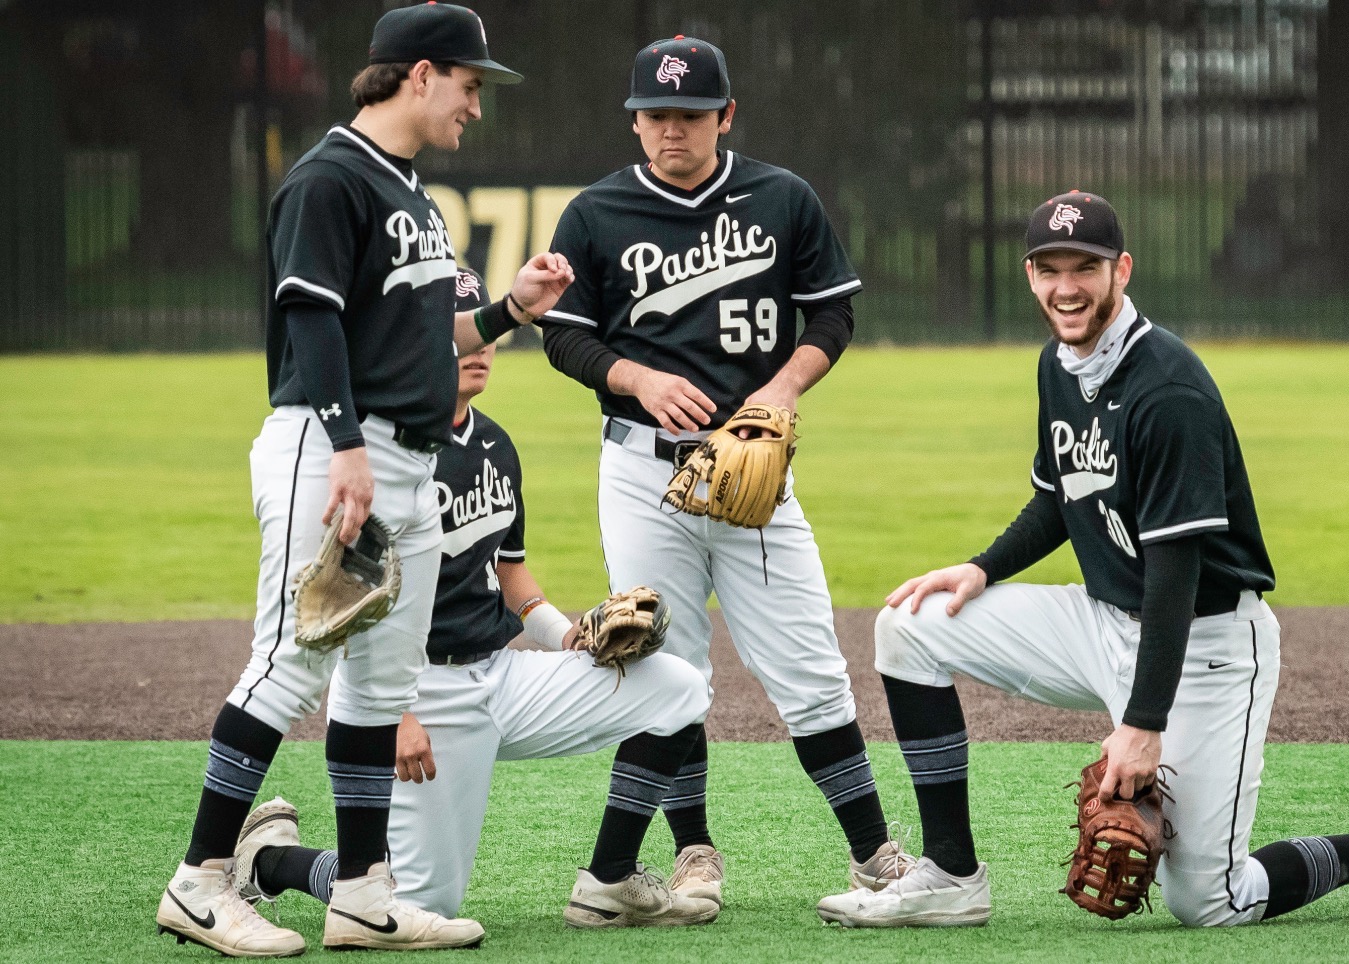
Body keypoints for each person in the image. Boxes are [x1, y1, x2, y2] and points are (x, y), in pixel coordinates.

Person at [817, 191, 1349, 928]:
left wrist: (1143, 722)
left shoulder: (1168, 388)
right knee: (913, 625)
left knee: (1211, 902)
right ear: (1029, 276)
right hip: (1102, 623)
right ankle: (951, 874)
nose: (1066, 287)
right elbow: (1061, 495)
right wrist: (982, 568)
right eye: (1048, 268)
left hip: (1208, 647)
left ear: (1122, 268)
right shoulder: (1059, 366)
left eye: (1085, 267)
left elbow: (1176, 573)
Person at [156, 6, 574, 956]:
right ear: (418, 76)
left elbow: (431, 345)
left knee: (382, 682)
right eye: (470, 88)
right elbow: (308, 317)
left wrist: (512, 307)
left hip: (409, 460)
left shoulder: (411, 193)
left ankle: (362, 893)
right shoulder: (329, 178)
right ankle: (197, 881)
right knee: (287, 664)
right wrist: (347, 446)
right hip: (331, 449)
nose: (477, 107)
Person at [227, 267, 719, 934]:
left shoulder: (494, 444)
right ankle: (270, 859)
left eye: (486, 328)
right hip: (418, 691)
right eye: (464, 330)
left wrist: (566, 636)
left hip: (502, 675)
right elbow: (341, 603)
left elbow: (511, 578)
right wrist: (390, 714)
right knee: (423, 904)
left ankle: (608, 882)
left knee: (679, 688)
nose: (482, 345)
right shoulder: (386, 455)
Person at [538, 36, 912, 910]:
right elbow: (562, 334)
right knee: (664, 667)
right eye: (657, 115)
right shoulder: (595, 213)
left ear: (725, 117)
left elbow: (831, 315)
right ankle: (693, 854)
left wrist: (777, 393)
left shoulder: (782, 197)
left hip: (754, 474)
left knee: (812, 665)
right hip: (641, 473)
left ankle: (873, 855)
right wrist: (633, 377)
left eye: (691, 115)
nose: (673, 130)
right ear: (635, 123)